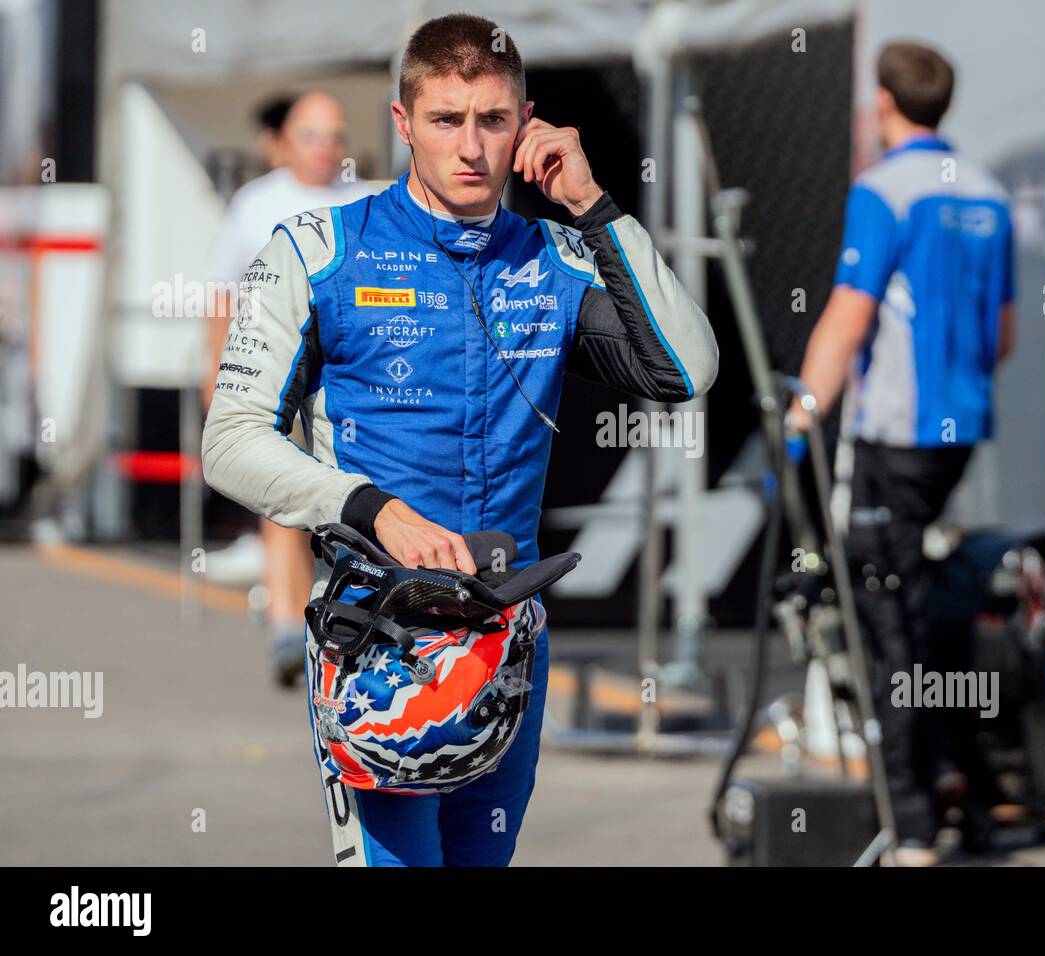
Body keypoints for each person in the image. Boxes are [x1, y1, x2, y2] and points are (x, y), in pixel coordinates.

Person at [201, 13, 718, 866]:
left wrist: (592, 205)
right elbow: (228, 440)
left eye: (493, 119)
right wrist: (374, 510)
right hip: (380, 640)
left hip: (506, 636)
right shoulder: (320, 250)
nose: (471, 147)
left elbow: (685, 369)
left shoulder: (555, 256)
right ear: (403, 125)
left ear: (527, 124)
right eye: (446, 120)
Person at [787, 40, 1016, 865]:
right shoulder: (988, 194)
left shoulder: (885, 190)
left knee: (885, 622)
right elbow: (1003, 337)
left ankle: (913, 824)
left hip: (894, 440)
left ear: (885, 103)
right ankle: (961, 791)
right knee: (918, 607)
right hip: (957, 435)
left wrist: (801, 414)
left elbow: (849, 315)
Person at [203, 91, 379, 687]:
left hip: (342, 383)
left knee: (342, 503)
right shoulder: (257, 204)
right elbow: (220, 297)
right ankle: (286, 623)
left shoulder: (359, 201)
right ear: (285, 141)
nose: (326, 148)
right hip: (277, 374)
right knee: (285, 502)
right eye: (312, 134)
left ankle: (333, 621)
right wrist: (215, 377)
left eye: (335, 135)